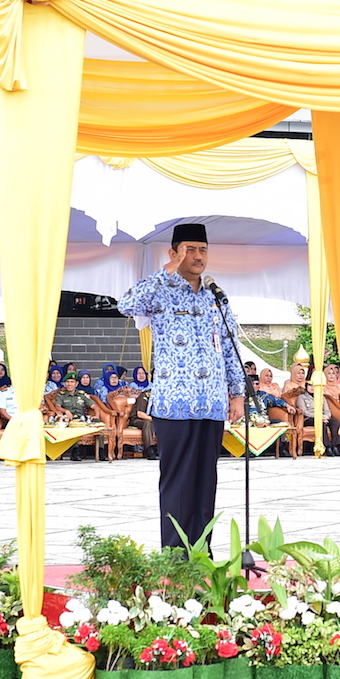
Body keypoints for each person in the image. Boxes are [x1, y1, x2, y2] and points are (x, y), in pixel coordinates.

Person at [117, 222, 245, 549]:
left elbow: (230, 347)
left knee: (206, 484)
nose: (198, 256)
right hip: (175, 403)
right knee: (177, 482)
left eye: (203, 250)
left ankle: (201, 553)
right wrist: (166, 272)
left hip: (212, 404)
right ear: (174, 253)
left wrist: (237, 394)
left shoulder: (216, 296)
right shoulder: (160, 290)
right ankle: (174, 556)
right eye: (190, 249)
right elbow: (126, 304)